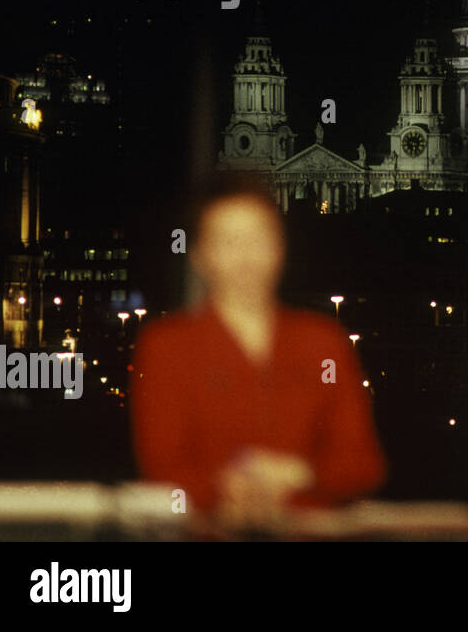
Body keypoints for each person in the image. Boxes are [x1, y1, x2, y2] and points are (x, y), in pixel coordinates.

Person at [131, 173, 386, 530]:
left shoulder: (324, 340)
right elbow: (162, 468)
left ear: (280, 247)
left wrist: (298, 474)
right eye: (228, 241)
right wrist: (226, 489)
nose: (245, 255)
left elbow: (363, 464)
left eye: (257, 238)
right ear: (200, 256)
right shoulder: (166, 345)